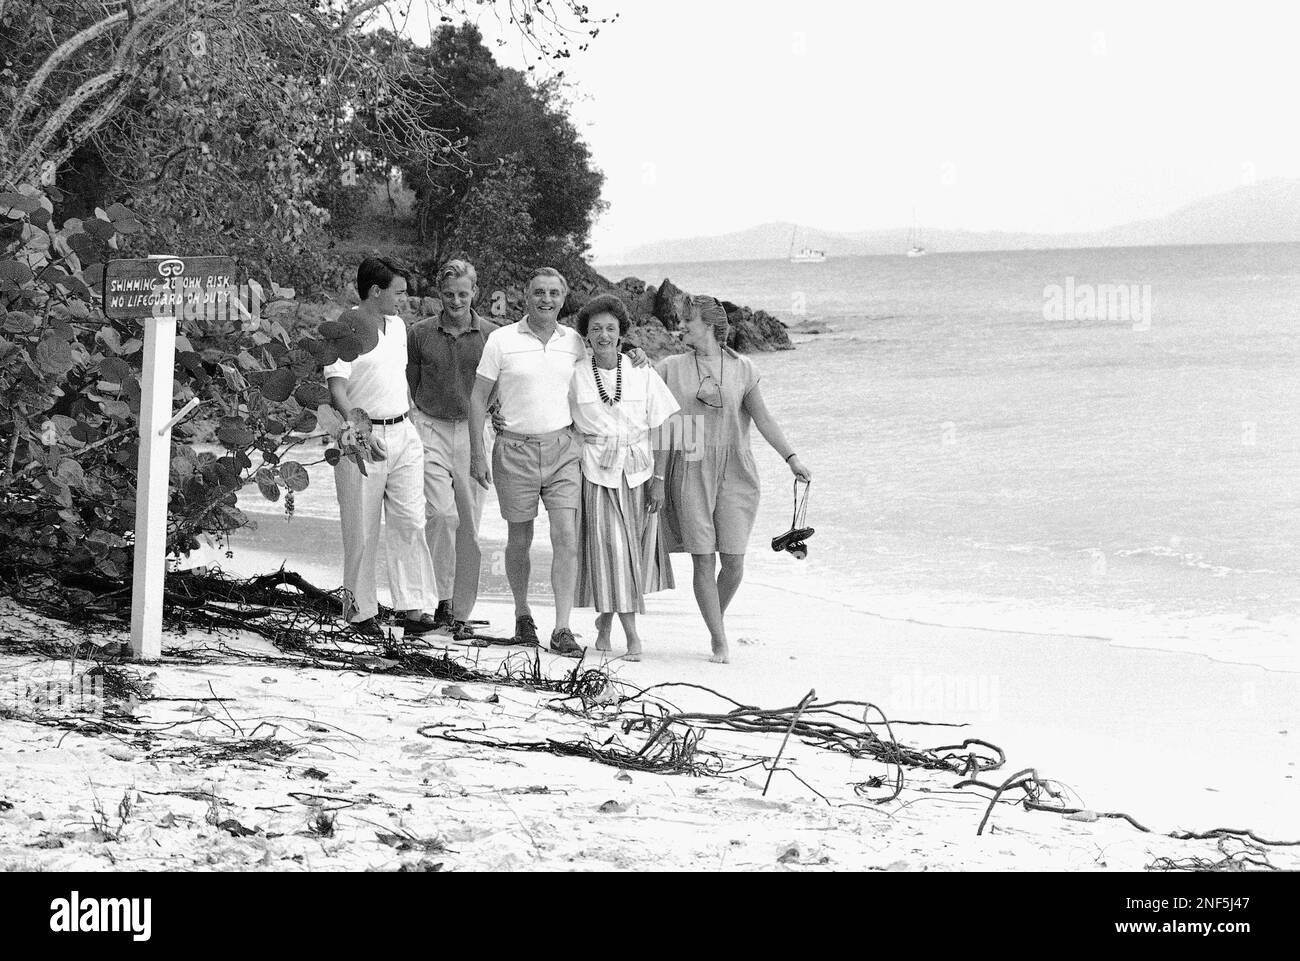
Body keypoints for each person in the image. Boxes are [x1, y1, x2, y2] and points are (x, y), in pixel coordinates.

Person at [655, 295, 812, 663]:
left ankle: (715, 620)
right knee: (703, 560)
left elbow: (764, 419)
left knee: (735, 561)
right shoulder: (670, 367)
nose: (681, 326)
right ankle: (718, 638)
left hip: (736, 469)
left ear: (708, 324)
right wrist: (656, 475)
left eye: (688, 320)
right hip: (689, 465)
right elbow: (659, 422)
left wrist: (791, 458)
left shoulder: (742, 368)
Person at [468, 267, 588, 656]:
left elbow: (608, 368)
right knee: (519, 538)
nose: (546, 299)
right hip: (513, 451)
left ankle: (563, 627)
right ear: (525, 294)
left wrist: (634, 353)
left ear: (564, 297)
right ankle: (522, 615)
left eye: (554, 292)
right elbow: (477, 399)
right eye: (539, 291)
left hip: (563, 451)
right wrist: (476, 452)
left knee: (566, 536)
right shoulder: (501, 340)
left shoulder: (576, 342)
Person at [325, 257, 440, 638]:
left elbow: (397, 380)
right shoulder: (345, 327)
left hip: (404, 433)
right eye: (399, 293)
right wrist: (359, 427)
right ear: (376, 291)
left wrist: (413, 423)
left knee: (411, 520)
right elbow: (337, 389)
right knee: (361, 527)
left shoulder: (398, 326)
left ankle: (414, 607)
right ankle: (360, 613)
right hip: (360, 438)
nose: (405, 300)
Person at [569, 295, 680, 661]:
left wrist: (660, 479)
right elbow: (555, 419)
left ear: (621, 333)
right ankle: (632, 635)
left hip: (639, 472)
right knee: (613, 550)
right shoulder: (573, 373)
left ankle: (605, 619)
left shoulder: (640, 370)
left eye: (610, 329)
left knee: (627, 554)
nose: (603, 335)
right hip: (596, 472)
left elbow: (664, 426)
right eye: (596, 329)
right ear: (585, 334)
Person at [406, 259, 496, 638]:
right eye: (448, 294)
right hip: (430, 427)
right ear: (438, 295)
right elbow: (411, 379)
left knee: (470, 524)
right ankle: (441, 600)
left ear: (475, 292)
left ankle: (462, 612)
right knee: (441, 515)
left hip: (476, 431)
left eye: (463, 293)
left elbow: (503, 382)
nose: (456, 300)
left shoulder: (493, 335)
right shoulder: (420, 333)